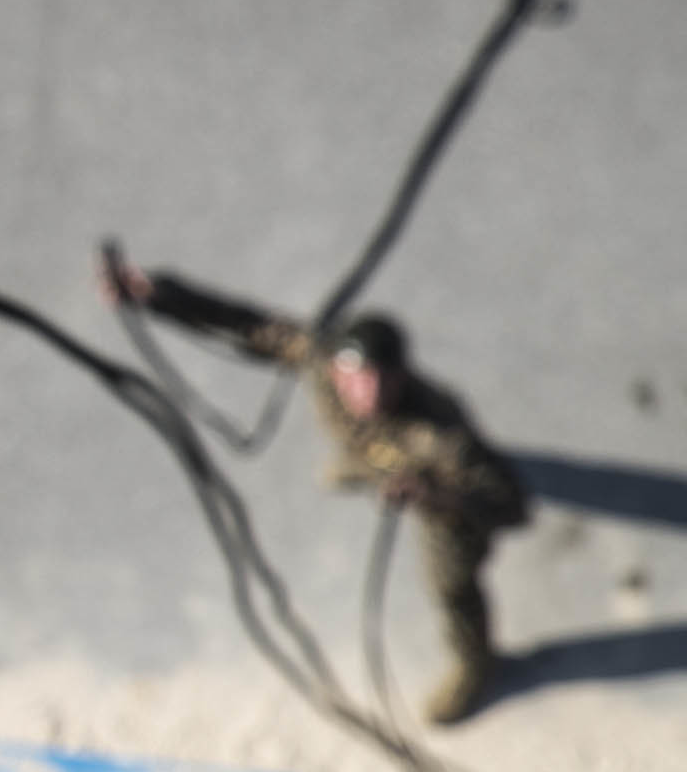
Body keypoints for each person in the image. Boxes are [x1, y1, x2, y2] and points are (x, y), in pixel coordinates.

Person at [102, 253, 533, 723]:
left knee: (449, 583)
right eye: (355, 379)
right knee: (335, 473)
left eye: (380, 381)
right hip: (369, 462)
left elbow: (511, 506)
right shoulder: (319, 360)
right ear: (338, 370)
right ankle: (366, 473)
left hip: (436, 492)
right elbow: (251, 326)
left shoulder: (441, 435)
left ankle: (475, 663)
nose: (366, 394)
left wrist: (435, 497)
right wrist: (160, 296)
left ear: (402, 376)